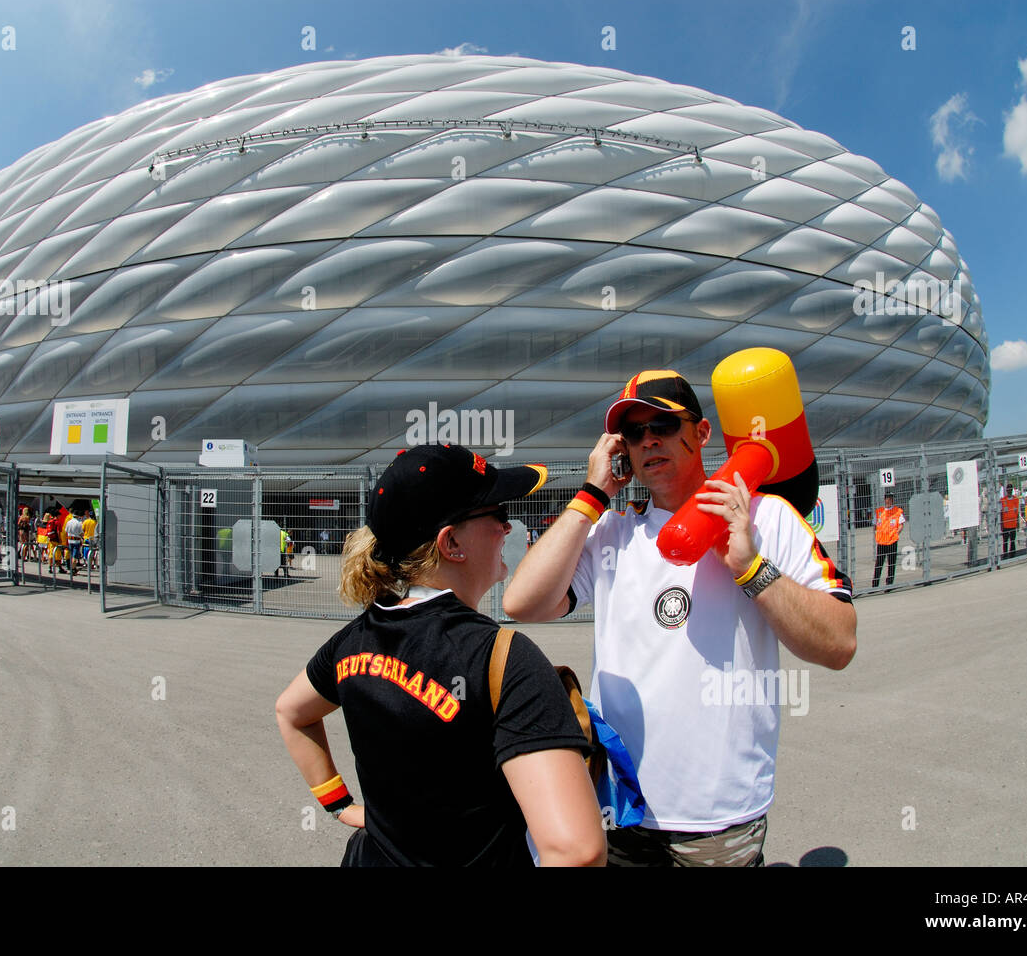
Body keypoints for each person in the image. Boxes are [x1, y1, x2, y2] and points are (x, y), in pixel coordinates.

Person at [503, 369, 856, 867]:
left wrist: (751, 568)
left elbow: (839, 644)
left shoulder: (768, 517)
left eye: (664, 426)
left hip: (718, 817)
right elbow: (521, 602)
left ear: (702, 433)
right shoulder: (611, 531)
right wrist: (592, 493)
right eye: (633, 432)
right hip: (620, 804)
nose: (648, 441)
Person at [275, 444, 605, 867]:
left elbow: (290, 711)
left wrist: (339, 804)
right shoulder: (502, 657)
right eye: (497, 514)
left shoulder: (352, 641)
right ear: (452, 543)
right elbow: (577, 851)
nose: (508, 528)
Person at [872, 492, 905, 587]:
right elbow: (874, 525)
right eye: (887, 499)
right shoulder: (879, 511)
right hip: (881, 541)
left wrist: (896, 533)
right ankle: (875, 584)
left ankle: (889, 584)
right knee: (879, 563)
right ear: (885, 499)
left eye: (891, 499)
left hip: (892, 541)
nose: (889, 500)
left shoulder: (897, 511)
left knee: (891, 563)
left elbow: (901, 524)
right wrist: (877, 534)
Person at [999, 484, 1020, 558]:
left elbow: (1017, 512)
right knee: (1005, 541)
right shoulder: (1003, 500)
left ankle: (1012, 554)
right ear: (1006, 490)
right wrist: (1001, 524)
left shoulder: (1016, 499)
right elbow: (1001, 513)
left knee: (1012, 540)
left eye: (1010, 489)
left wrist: (1018, 522)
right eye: (1008, 490)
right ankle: (1005, 554)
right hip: (1005, 524)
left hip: (1013, 523)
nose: (1009, 491)